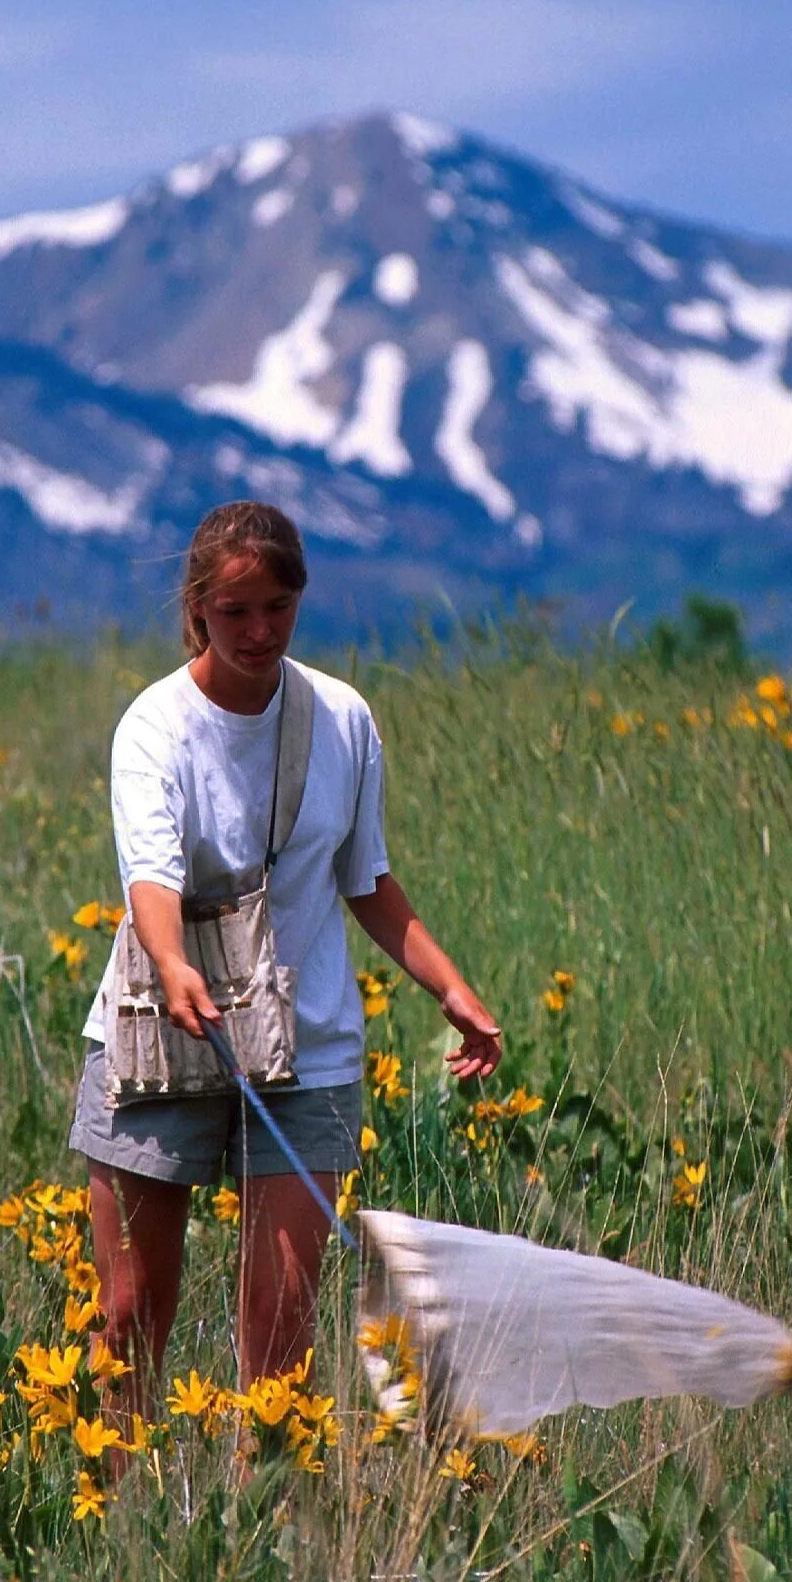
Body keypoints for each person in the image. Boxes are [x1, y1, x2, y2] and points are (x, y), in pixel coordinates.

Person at [72, 501, 501, 1411]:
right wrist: (173, 963)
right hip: (160, 1028)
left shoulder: (341, 718)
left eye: (278, 607)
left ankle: (263, 1529)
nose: (259, 631)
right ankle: (111, 1522)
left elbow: (369, 880)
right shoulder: (153, 727)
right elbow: (149, 874)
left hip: (305, 1051)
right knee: (128, 1318)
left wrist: (452, 988)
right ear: (196, 609)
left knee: (280, 1344)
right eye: (235, 613)